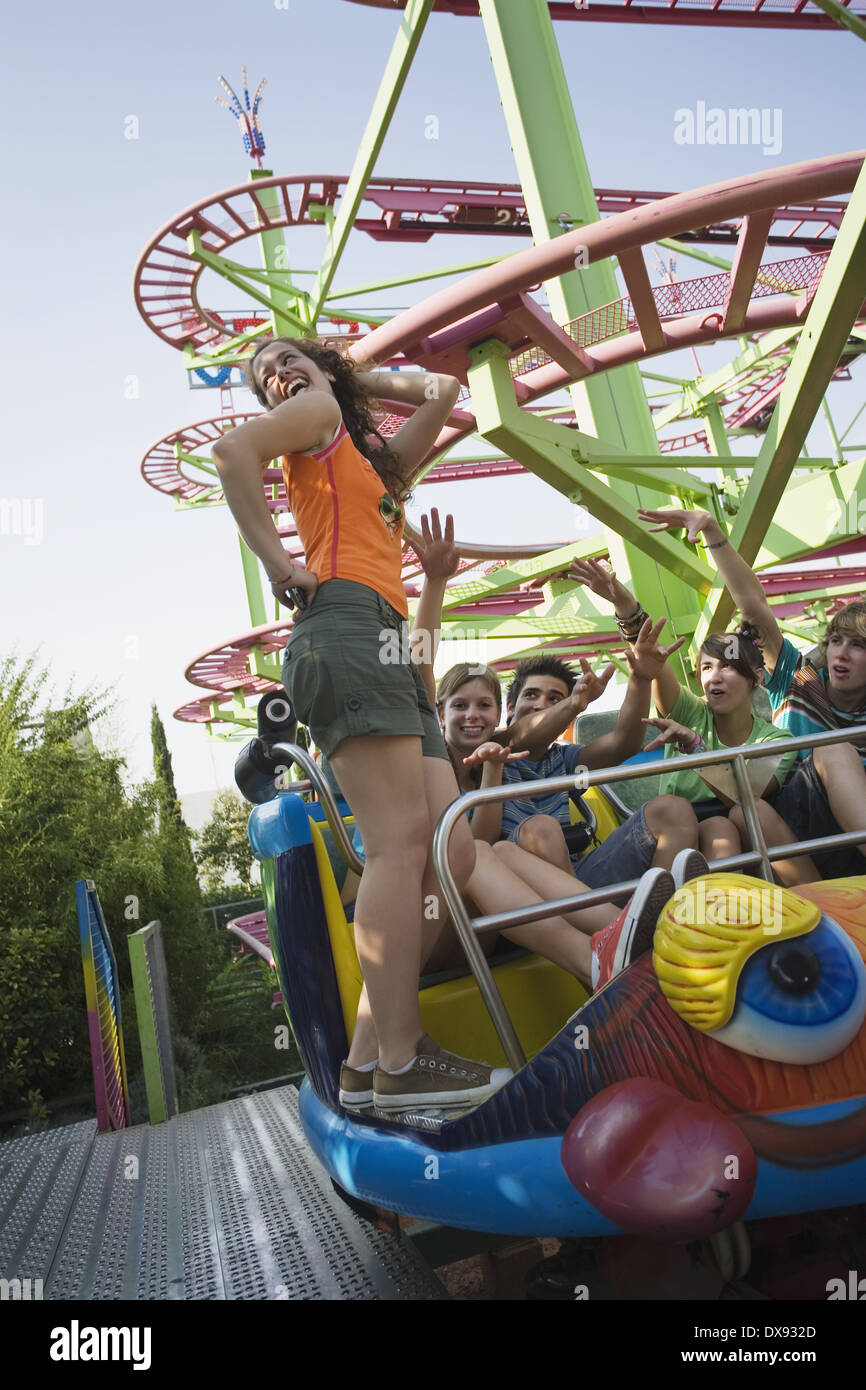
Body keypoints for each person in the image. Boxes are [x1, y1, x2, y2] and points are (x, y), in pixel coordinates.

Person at [212, 337, 510, 1117]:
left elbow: (442, 392)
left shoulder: (368, 458)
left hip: (391, 636)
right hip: (343, 623)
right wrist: (280, 565)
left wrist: (346, 375)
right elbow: (231, 451)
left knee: (451, 844)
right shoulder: (310, 417)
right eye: (261, 376)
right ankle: (404, 1063)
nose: (275, 375)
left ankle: (368, 1059)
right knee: (399, 845)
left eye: (285, 357)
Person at [637, 506, 866, 883]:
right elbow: (754, 609)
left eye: (858, 645)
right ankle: (821, 904)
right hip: (790, 821)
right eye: (836, 640)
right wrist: (711, 530)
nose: (841, 653)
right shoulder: (801, 680)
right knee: (830, 751)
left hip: (844, 838)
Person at [570, 555, 797, 872]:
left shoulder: (775, 738)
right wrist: (626, 608)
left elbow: (747, 800)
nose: (713, 677)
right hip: (678, 827)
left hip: (743, 827)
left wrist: (696, 748)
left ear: (757, 677)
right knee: (719, 831)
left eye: (728, 667)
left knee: (723, 826)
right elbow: (653, 660)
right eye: (706, 667)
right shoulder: (691, 712)